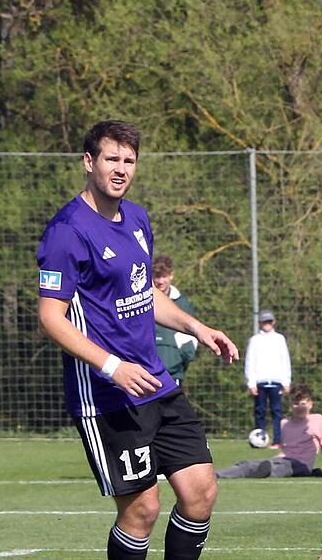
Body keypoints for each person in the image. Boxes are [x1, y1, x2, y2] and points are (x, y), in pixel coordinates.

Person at [36, 120, 239, 560]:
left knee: (201, 491)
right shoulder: (67, 231)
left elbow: (143, 293)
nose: (121, 169)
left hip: (157, 382)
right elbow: (51, 317)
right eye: (112, 158)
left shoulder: (138, 218)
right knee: (143, 509)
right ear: (89, 162)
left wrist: (197, 328)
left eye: (129, 160)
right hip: (107, 396)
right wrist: (113, 366)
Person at [215, 384, 322, 479]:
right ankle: (216, 474)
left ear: (310, 404)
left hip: (301, 465)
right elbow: (285, 450)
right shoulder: (284, 423)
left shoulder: (318, 420)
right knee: (248, 463)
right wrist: (275, 458)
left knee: (276, 468)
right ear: (291, 404)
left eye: (303, 404)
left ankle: (264, 469)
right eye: (296, 404)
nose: (299, 408)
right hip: (283, 459)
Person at [244, 310, 291, 449]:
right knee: (260, 411)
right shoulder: (255, 340)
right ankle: (260, 438)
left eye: (269, 321)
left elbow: (285, 360)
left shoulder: (279, 339)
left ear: (273, 322)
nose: (267, 324)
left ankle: (277, 440)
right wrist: (251, 382)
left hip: (276, 381)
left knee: (277, 411)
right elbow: (250, 361)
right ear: (260, 323)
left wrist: (286, 381)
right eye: (264, 322)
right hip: (260, 382)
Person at [152, 255, 199, 385]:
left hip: (173, 374)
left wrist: (180, 356)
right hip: (145, 373)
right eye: (157, 276)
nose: (160, 281)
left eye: (164, 276)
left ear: (171, 275)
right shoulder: (142, 301)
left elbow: (191, 338)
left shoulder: (182, 303)